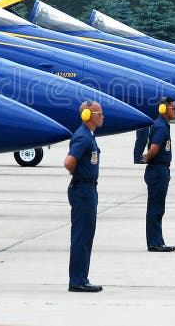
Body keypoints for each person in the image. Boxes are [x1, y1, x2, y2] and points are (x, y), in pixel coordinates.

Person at [64, 100, 104, 292]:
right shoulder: (83, 137)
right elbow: (69, 161)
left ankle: (81, 277)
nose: (102, 116)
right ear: (88, 115)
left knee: (86, 235)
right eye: (99, 113)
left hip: (87, 189)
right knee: (81, 236)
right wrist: (77, 175)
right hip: (83, 190)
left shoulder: (89, 136)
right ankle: (77, 280)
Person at [143, 97, 175, 252]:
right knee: (155, 208)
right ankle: (154, 242)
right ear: (164, 109)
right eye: (173, 108)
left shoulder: (162, 125)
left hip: (160, 169)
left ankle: (157, 240)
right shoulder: (161, 127)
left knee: (158, 208)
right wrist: (147, 158)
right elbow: (154, 148)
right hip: (157, 170)